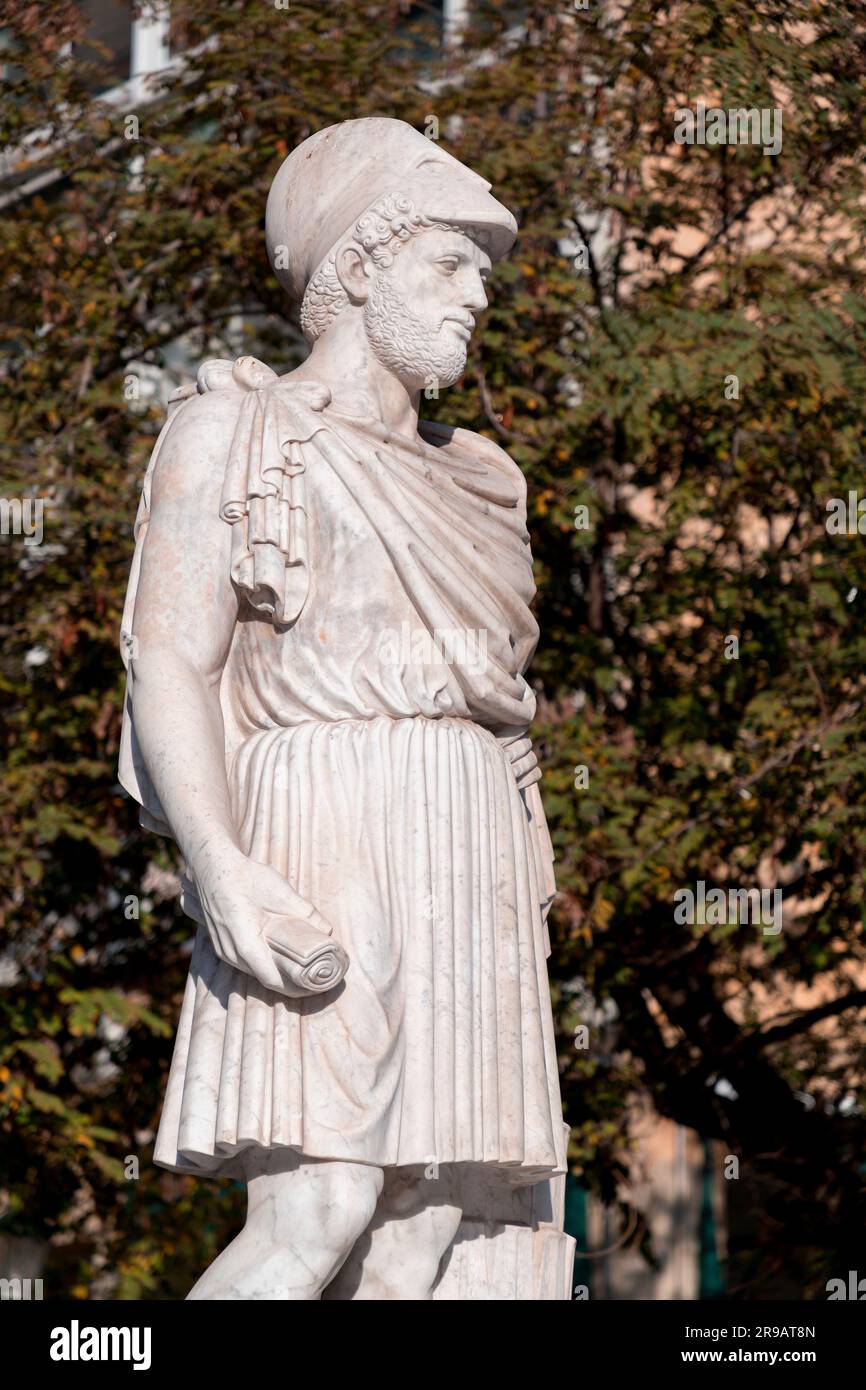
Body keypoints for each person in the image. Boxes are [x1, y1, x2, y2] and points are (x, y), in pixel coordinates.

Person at [119, 118, 568, 1300]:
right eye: (449, 261)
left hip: (466, 836)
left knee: (429, 1225)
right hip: (320, 815)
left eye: (483, 269)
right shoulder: (235, 426)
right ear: (358, 268)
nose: (479, 294)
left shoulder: (481, 474)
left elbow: (507, 703)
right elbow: (168, 660)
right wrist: (217, 865)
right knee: (318, 1202)